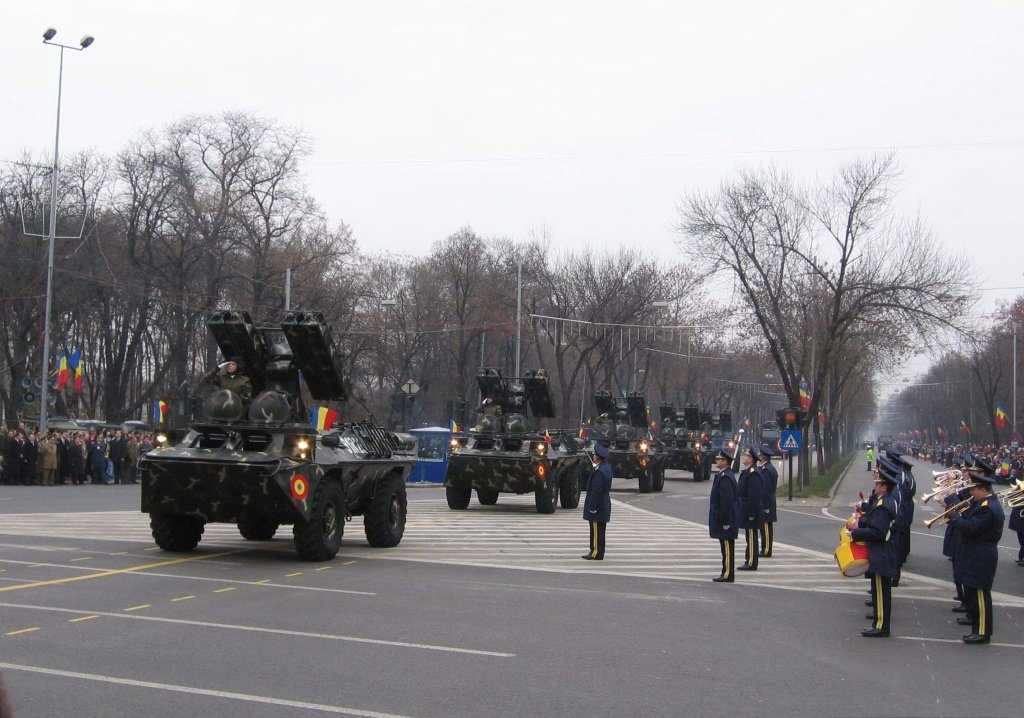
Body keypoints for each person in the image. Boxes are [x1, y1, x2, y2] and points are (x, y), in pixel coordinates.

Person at [948, 472, 1005, 644]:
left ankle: (982, 632)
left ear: (982, 489)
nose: (971, 493)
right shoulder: (982, 503)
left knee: (980, 594)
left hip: (981, 554)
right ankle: (976, 626)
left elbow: (971, 527)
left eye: (974, 490)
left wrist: (954, 517)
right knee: (973, 591)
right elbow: (969, 518)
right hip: (975, 552)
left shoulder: (987, 507)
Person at [849, 467, 899, 637]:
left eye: (878, 484)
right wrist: (860, 524)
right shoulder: (883, 501)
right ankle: (880, 621)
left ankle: (881, 625)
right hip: (882, 550)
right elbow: (872, 521)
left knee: (881, 590)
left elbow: (878, 532)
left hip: (882, 551)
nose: (875, 486)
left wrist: (855, 533)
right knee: (880, 589)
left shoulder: (884, 505)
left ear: (884, 487)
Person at [709, 448, 738, 582]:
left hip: (726, 519)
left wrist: (725, 521)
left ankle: (727, 573)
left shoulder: (725, 477)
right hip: (723, 517)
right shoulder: (723, 475)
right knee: (725, 547)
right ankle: (725, 571)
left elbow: (726, 501)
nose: (717, 461)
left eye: (719, 459)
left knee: (726, 547)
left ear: (725, 462)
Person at [582, 442, 613, 560]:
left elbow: (596, 490)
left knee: (596, 530)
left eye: (594, 454)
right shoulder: (606, 468)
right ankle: (598, 551)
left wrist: (592, 506)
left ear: (597, 457)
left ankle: (595, 552)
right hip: (604, 503)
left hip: (598, 504)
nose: (593, 456)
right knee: (600, 529)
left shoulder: (599, 472)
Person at [736, 447, 764, 571]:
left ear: (751, 459)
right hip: (746, 508)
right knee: (749, 536)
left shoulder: (753, 473)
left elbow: (754, 495)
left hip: (751, 510)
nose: (744, 457)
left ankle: (752, 562)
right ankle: (749, 560)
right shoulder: (747, 471)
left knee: (752, 537)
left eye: (747, 456)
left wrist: (752, 513)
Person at [758, 444, 779, 557]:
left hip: (767, 503)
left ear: (762, 457)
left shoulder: (766, 470)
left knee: (765, 527)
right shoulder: (768, 468)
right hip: (768, 502)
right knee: (765, 526)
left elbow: (765, 489)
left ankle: (766, 549)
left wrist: (764, 505)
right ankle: (765, 548)